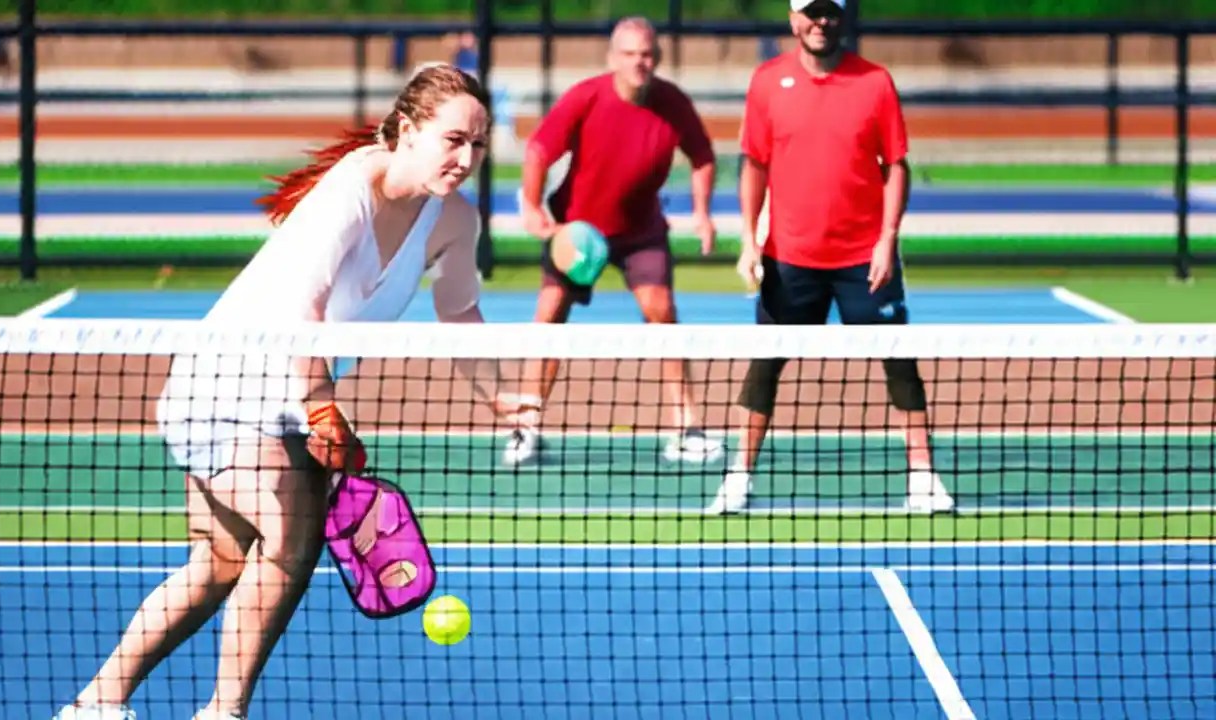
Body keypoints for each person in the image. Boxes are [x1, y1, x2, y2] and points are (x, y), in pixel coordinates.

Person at [53, 64, 525, 720]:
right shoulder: (352, 189)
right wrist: (321, 404)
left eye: (478, 144)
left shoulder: (455, 221)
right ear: (409, 130)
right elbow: (305, 303)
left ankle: (95, 704)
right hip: (222, 382)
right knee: (292, 538)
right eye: (454, 139)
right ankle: (225, 712)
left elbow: (460, 313)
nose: (467, 157)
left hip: (290, 399)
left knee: (220, 563)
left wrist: (497, 395)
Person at [707, 0, 955, 515]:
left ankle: (924, 477)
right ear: (794, 19)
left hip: (865, 262)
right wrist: (750, 240)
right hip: (790, 258)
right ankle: (739, 476)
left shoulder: (875, 83)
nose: (820, 22)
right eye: (811, 13)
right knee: (766, 365)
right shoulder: (767, 83)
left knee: (899, 360)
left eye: (830, 13)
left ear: (842, 18)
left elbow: (896, 166)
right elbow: (754, 164)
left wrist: (887, 238)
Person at [504, 16, 724, 467]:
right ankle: (527, 428)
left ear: (657, 58)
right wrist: (531, 205)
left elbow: (702, 156)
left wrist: (702, 213)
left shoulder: (672, 102)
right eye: (629, 54)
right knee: (549, 315)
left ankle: (687, 427)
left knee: (662, 312)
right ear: (613, 58)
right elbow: (539, 150)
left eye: (646, 54)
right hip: (577, 232)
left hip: (642, 231)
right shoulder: (586, 96)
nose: (639, 62)